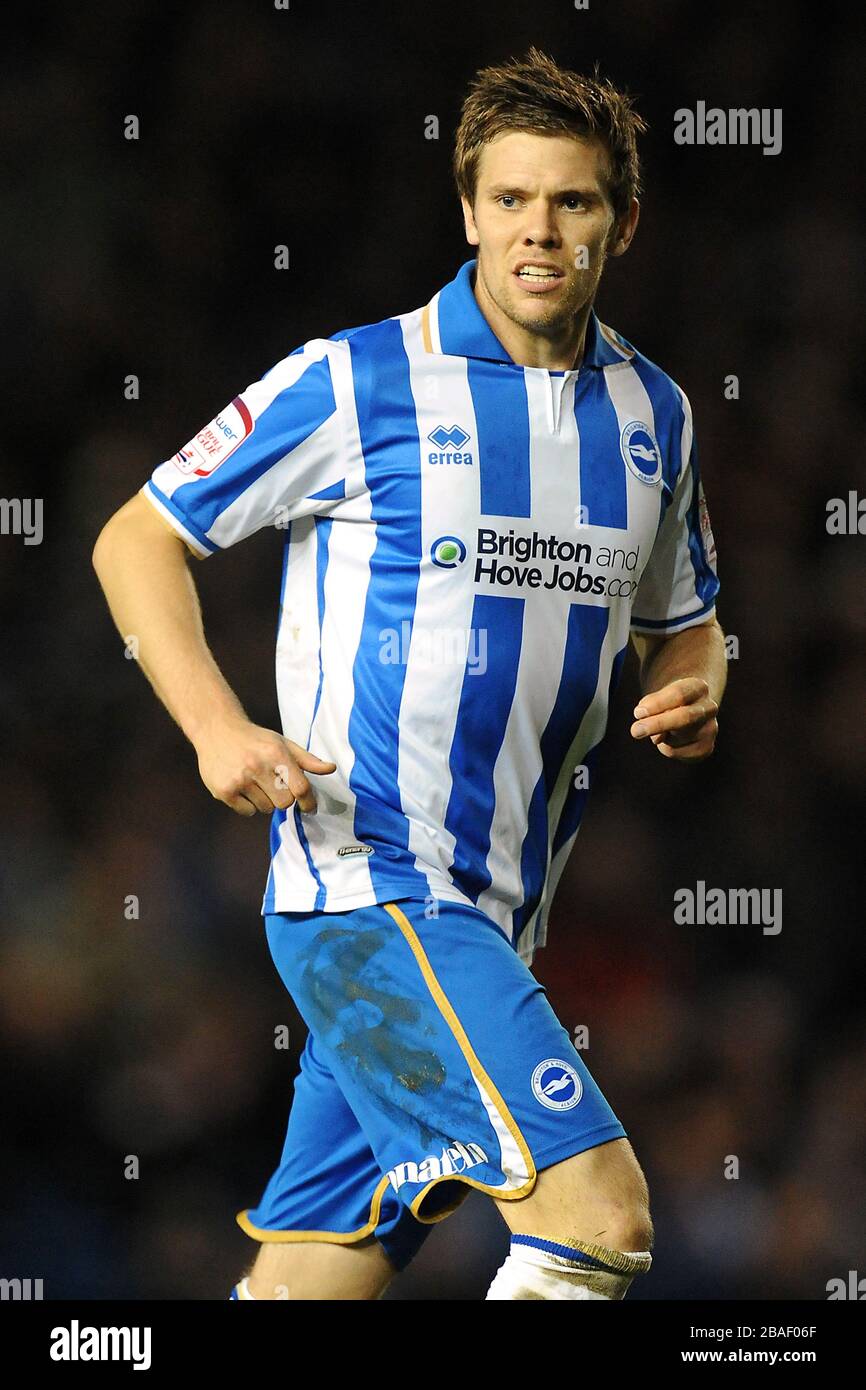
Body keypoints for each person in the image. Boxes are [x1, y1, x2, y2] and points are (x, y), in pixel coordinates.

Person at [93, 46, 726, 1301]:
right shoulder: (355, 377)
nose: (537, 230)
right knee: (598, 1219)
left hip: (492, 920)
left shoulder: (653, 414)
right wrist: (216, 727)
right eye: (508, 199)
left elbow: (687, 616)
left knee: (304, 1285)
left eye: (573, 201)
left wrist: (699, 682)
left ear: (623, 221)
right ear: (467, 213)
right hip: (371, 883)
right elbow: (138, 535)